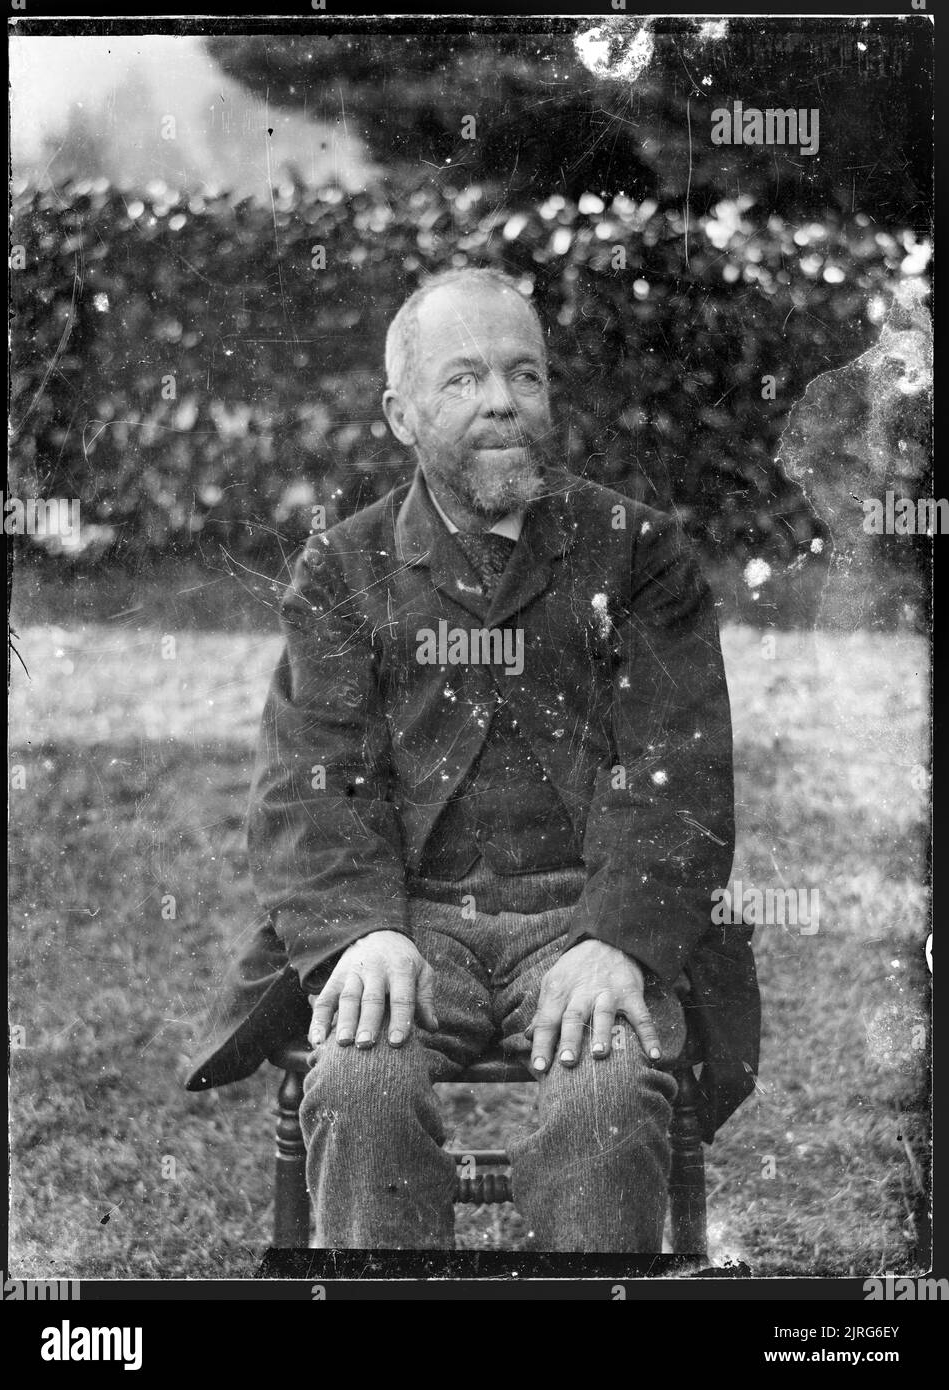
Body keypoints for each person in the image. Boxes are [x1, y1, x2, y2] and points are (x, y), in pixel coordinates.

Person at [186, 266, 760, 1251]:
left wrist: (616, 939)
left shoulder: (636, 553)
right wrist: (360, 932)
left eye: (524, 375)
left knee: (610, 1091)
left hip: (581, 920)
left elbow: (679, 769)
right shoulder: (343, 567)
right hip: (411, 922)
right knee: (358, 1082)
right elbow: (309, 776)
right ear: (401, 413)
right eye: (463, 379)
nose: (501, 399)